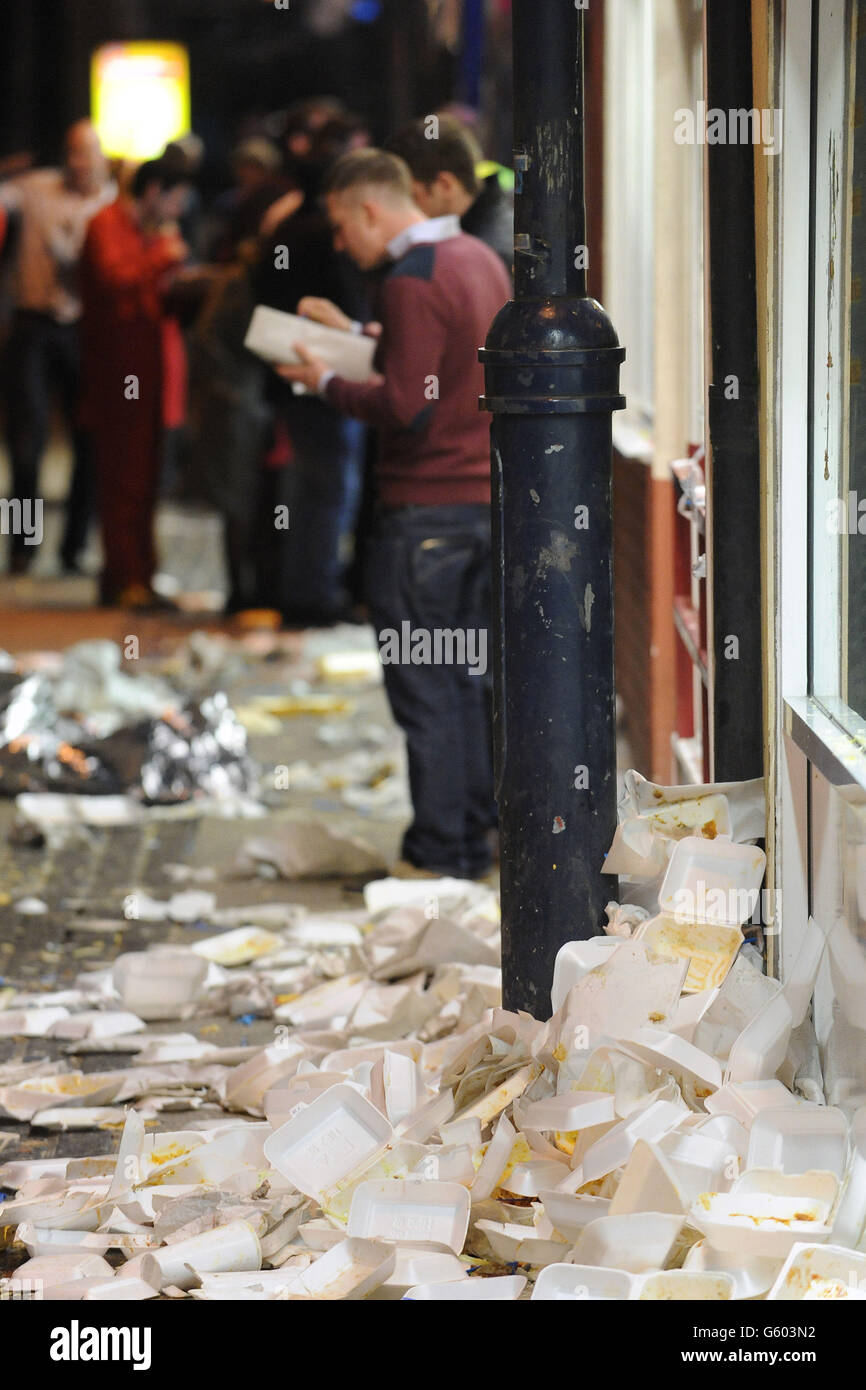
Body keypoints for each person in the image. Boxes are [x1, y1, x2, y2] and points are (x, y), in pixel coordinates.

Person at [278, 149, 511, 879]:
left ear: (368, 209)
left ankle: (441, 852)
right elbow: (445, 362)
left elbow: (405, 404)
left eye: (343, 228)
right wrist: (359, 335)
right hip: (481, 507)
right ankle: (476, 835)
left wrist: (323, 380)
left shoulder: (410, 281)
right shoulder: (477, 258)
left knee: (426, 692)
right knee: (467, 683)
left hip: (422, 517)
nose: (342, 245)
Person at [254, 105, 369, 625]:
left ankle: (304, 589)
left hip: (287, 374)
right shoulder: (326, 235)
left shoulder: (282, 226)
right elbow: (345, 301)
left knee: (310, 486)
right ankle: (313, 596)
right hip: (326, 374)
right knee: (329, 487)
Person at [0, 120, 114, 574]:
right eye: (72, 152)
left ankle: (74, 548)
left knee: (89, 437)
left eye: (87, 152)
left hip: (86, 329)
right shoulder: (34, 188)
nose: (78, 162)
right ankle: (22, 546)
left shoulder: (111, 202)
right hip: (33, 324)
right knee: (25, 441)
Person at [79, 158, 189, 609]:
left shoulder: (148, 231)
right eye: (175, 197)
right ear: (154, 190)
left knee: (145, 473)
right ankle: (124, 578)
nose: (179, 209)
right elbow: (114, 279)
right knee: (123, 473)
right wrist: (161, 256)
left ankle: (139, 574)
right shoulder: (107, 223)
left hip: (148, 366)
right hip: (118, 370)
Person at [385, 114, 513, 274]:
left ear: (445, 185)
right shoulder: (490, 238)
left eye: (412, 196)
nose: (403, 209)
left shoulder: (483, 254)